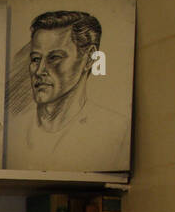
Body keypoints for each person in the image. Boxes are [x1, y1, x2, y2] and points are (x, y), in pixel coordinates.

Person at [10, 10, 129, 170]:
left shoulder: (117, 131)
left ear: (89, 58)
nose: (39, 70)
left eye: (54, 57)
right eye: (36, 59)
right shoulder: (13, 132)